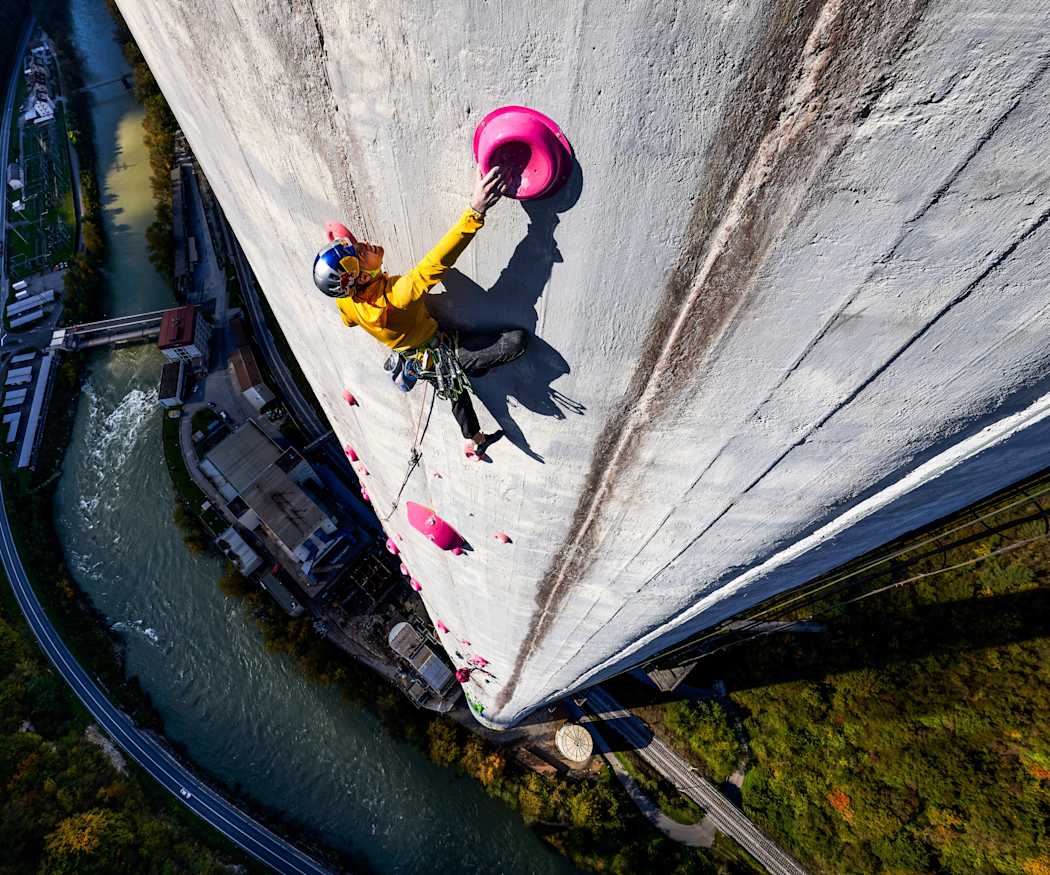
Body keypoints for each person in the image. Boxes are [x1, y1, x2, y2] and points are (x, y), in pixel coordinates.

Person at [312, 167, 527, 460]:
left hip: (416, 357)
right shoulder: (398, 295)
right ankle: (472, 369)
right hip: (438, 349)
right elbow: (437, 262)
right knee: (515, 343)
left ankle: (475, 439)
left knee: (452, 388)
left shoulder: (346, 301)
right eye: (361, 252)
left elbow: (348, 319)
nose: (366, 244)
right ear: (362, 277)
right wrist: (475, 211)